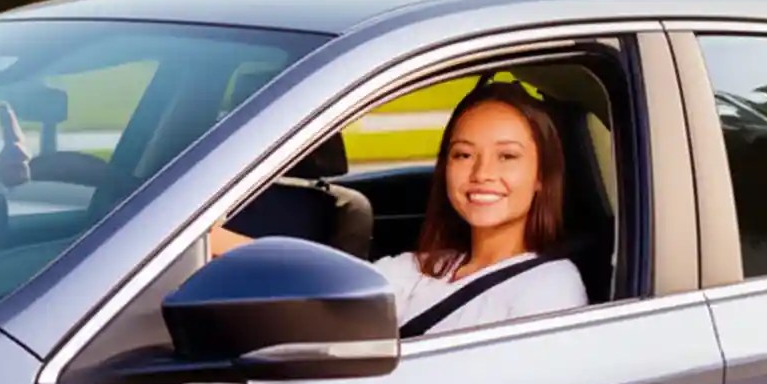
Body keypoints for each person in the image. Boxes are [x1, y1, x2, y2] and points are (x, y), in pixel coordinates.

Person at [210, 79, 589, 335]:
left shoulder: (549, 286)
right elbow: (326, 285)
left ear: (542, 176)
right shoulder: (424, 267)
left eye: (507, 156)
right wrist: (205, 238)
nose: (481, 173)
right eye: (463, 154)